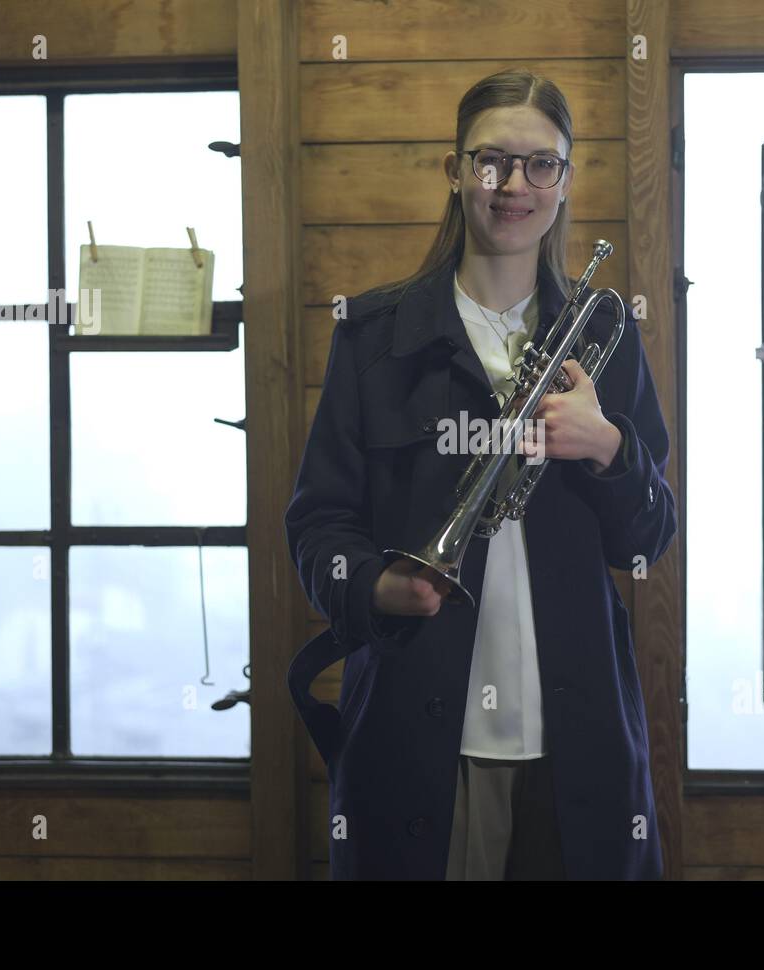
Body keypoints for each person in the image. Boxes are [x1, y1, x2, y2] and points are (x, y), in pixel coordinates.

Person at [285, 68, 676, 880]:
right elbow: (319, 526)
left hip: (580, 735)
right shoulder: (373, 337)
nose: (513, 185)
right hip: (420, 726)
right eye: (491, 160)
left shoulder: (606, 338)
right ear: (455, 170)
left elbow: (650, 532)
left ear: (565, 183)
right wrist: (373, 588)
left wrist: (607, 447)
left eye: (541, 165)